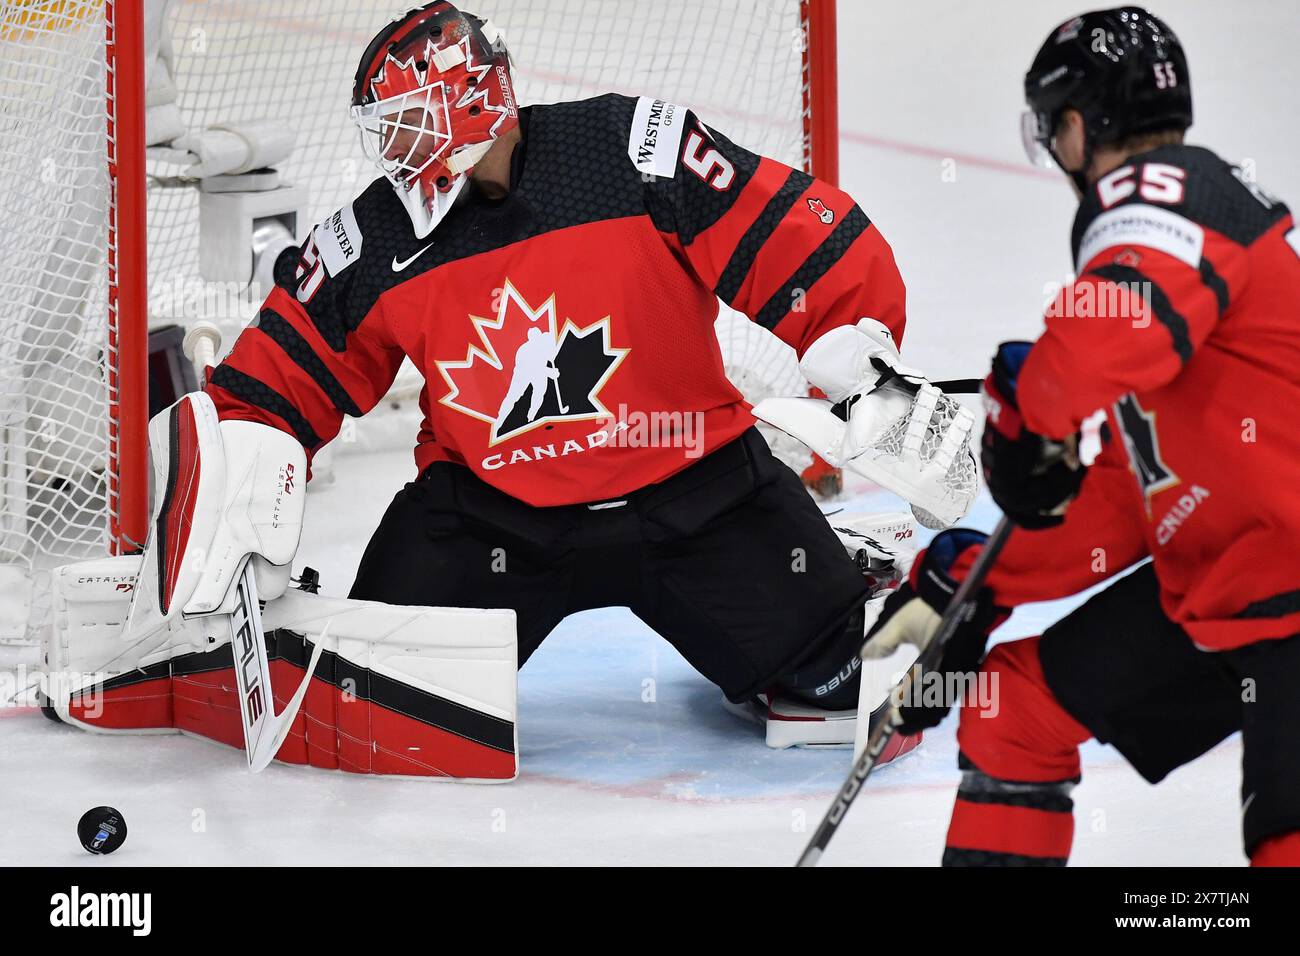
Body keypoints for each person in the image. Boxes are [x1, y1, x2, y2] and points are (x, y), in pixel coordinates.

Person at [149, 1, 976, 751]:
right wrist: (236, 463)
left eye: (407, 121)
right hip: (490, 520)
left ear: (469, 99)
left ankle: (841, 562)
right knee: (371, 706)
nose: (394, 148)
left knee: (838, 690)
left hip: (698, 492)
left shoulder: (629, 149)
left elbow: (791, 234)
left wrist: (860, 351)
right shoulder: (373, 234)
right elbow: (280, 372)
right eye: (386, 129)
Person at [864, 6, 1300, 864]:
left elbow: (1107, 333)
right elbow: (1151, 494)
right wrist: (976, 580)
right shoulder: (1196, 228)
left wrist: (1028, 407)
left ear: (1078, 123)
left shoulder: (1164, 192)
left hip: (1281, 594)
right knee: (1011, 710)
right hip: (1235, 595)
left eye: (1053, 131)